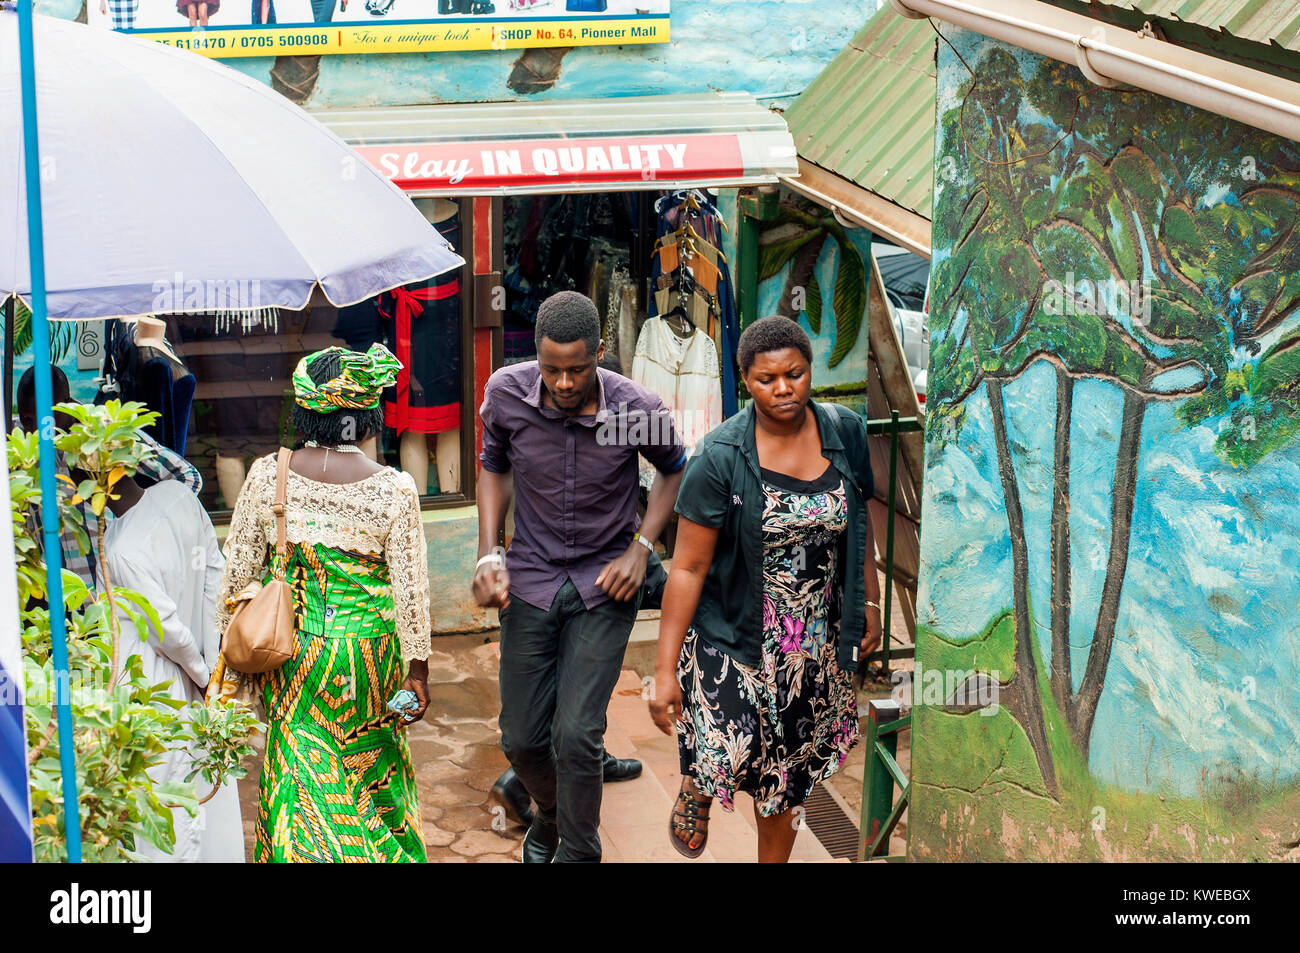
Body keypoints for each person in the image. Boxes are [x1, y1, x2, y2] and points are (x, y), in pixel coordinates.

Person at [648, 316, 884, 863]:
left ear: (810, 372)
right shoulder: (719, 458)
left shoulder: (844, 432)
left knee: (786, 781)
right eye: (766, 379)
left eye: (795, 375)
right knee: (729, 750)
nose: (783, 389)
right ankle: (698, 782)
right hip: (732, 638)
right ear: (745, 382)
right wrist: (663, 672)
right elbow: (686, 568)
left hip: (813, 649)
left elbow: (861, 520)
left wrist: (867, 602)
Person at [473, 291, 686, 863]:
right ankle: (548, 815)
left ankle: (580, 848)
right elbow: (492, 468)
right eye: (552, 369)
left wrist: (642, 549)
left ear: (598, 355)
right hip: (533, 578)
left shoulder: (633, 408)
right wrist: (488, 554)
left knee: (576, 735)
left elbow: (673, 471)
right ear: (536, 356)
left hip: (605, 583)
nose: (564, 383)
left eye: (577, 369)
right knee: (520, 738)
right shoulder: (507, 395)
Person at [215, 344, 431, 863]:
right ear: (369, 416)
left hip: (296, 657)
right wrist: (418, 675)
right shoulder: (394, 490)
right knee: (372, 785)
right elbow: (412, 598)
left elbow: (235, 584)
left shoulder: (270, 475)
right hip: (370, 663)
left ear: (306, 411)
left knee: (297, 779)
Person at [98, 468, 242, 862]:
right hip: (200, 670)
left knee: (167, 805)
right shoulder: (178, 495)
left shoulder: (121, 547)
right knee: (207, 786)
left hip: (154, 681)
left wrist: (200, 674)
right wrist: (215, 667)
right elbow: (217, 573)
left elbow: (167, 633)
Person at [16, 366, 202, 593]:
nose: (35, 429)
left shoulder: (104, 431)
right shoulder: (18, 446)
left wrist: (150, 532)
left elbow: (188, 477)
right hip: (61, 604)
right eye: (27, 418)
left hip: (117, 594)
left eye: (46, 419)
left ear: (69, 403)